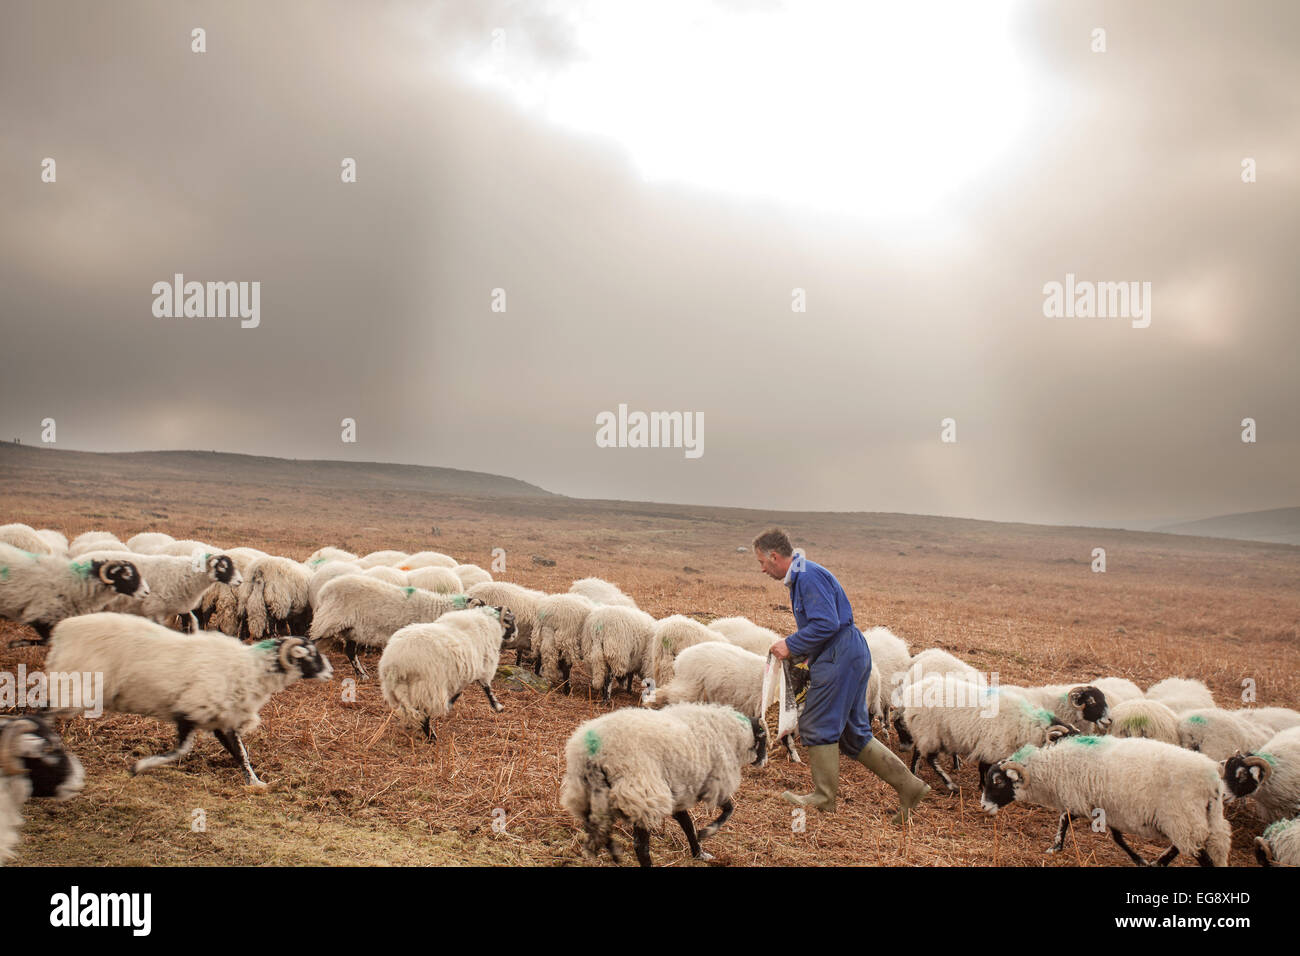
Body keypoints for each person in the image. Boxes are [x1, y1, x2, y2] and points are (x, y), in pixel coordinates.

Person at [754, 527, 929, 824]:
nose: (761, 569)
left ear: (774, 555)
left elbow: (826, 623)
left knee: (817, 722)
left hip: (839, 655)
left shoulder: (807, 576)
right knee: (853, 734)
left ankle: (824, 797)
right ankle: (910, 787)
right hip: (847, 653)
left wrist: (791, 644)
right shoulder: (802, 577)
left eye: (762, 562)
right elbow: (824, 624)